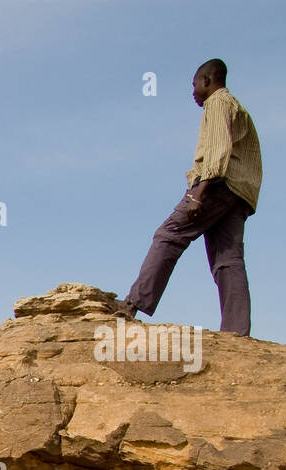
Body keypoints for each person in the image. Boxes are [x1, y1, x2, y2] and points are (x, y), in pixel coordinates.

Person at [115, 59, 262, 335]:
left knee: (168, 235)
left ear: (207, 80)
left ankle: (133, 303)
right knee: (228, 259)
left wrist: (199, 194)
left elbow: (218, 150)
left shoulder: (218, 103)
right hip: (240, 192)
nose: (192, 91)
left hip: (216, 185)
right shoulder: (235, 105)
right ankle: (237, 331)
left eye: (194, 85)